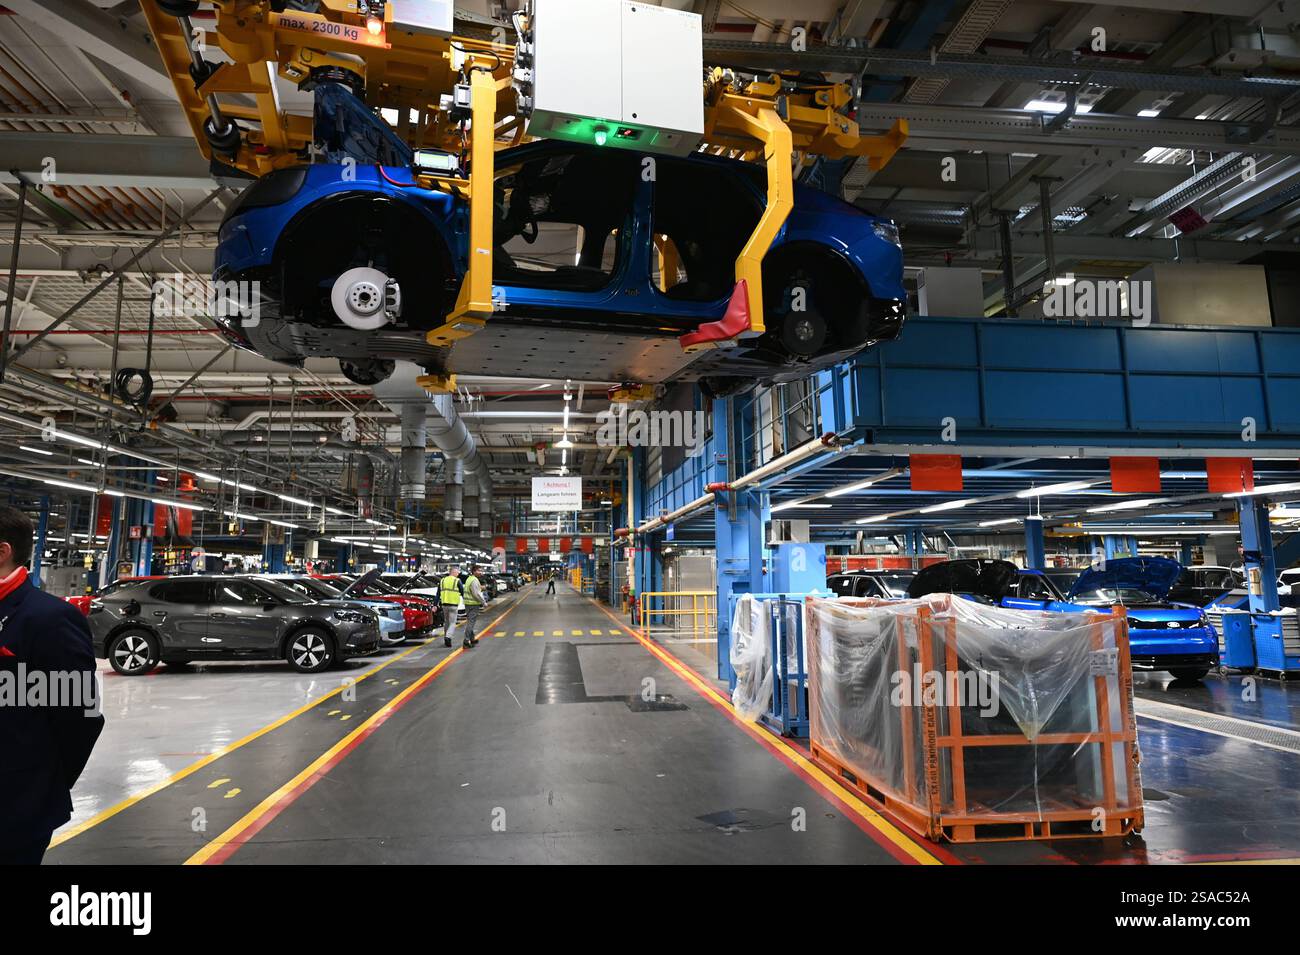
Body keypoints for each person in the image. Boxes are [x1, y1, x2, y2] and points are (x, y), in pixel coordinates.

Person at [0, 505, 104, 864]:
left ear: (3, 551)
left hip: (14, 808)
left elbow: (81, 718)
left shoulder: (48, 619)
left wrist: (39, 786)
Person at [461, 565, 486, 649]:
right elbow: (476, 594)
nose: (481, 572)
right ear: (474, 571)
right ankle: (466, 641)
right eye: (479, 570)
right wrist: (483, 602)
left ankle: (472, 639)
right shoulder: (474, 580)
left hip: (467, 603)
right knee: (471, 623)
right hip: (473, 604)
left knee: (470, 622)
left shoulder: (469, 579)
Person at [438, 565, 463, 648]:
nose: (458, 574)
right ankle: (448, 637)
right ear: (453, 572)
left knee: (446, 622)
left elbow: (438, 594)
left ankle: (446, 637)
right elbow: (462, 592)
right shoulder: (457, 581)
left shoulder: (442, 580)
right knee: (452, 623)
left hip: (444, 604)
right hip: (453, 605)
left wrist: (435, 604)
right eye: (457, 572)